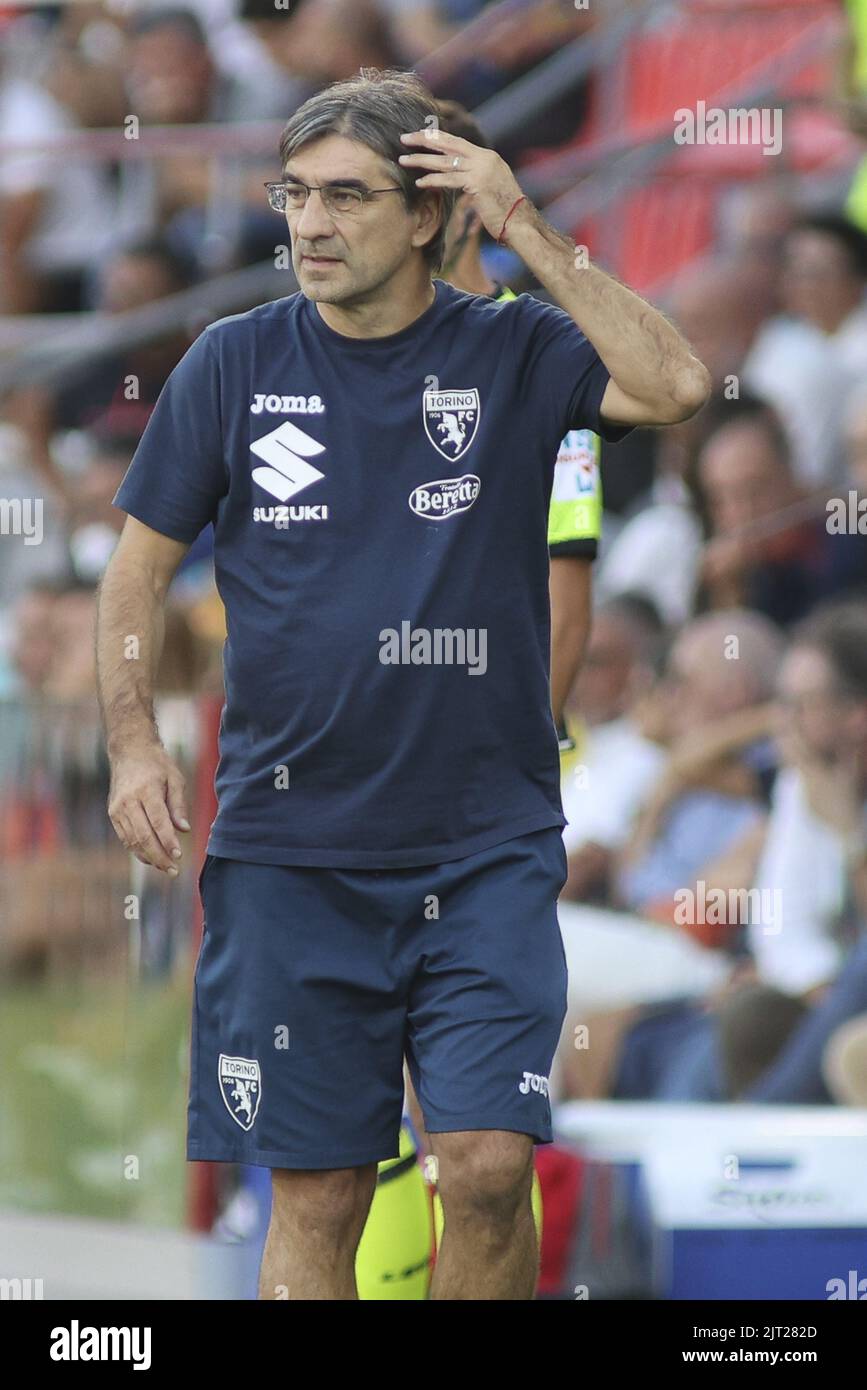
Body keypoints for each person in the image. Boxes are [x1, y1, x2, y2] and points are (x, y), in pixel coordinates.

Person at [96, 67, 710, 1301]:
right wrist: (132, 745)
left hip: (483, 844)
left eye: (346, 198)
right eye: (294, 195)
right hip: (289, 849)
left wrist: (528, 227)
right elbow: (133, 578)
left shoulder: (519, 349)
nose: (308, 226)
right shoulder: (229, 364)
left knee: (485, 1165)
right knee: (316, 1188)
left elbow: (680, 384)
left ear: (431, 214)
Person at [434, 98, 601, 739]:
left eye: (429, 197)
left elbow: (566, 590)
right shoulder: (349, 348)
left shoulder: (543, 352)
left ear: (473, 208)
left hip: (488, 745)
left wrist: (521, 759)